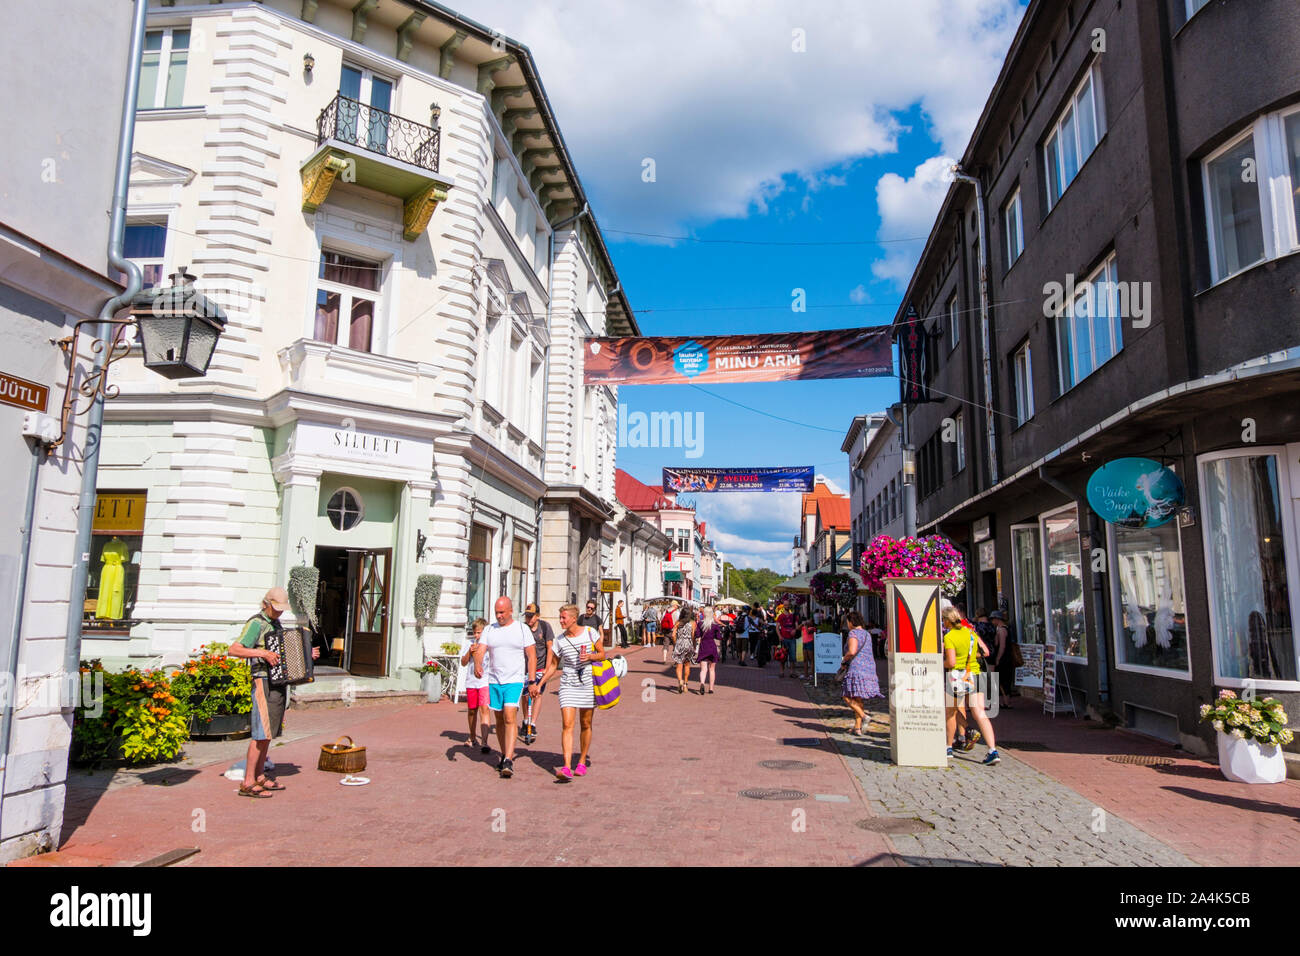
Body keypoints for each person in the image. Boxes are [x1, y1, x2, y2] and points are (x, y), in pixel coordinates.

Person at [229, 587, 319, 797]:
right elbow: (234, 649)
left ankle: (260, 776)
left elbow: (284, 653)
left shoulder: (275, 624)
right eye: (276, 608)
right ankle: (248, 782)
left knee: (268, 733)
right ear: (266, 604)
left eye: (281, 609)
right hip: (263, 681)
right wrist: (262, 653)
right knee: (260, 733)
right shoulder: (256, 623)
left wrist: (308, 654)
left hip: (277, 682)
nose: (279, 613)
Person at [534, 603, 605, 781]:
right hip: (568, 684)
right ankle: (566, 766)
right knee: (567, 724)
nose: (561, 621)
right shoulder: (560, 640)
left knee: (586, 723)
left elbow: (602, 654)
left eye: (564, 617)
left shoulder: (590, 633)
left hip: (588, 682)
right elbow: (553, 665)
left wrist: (590, 656)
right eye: (560, 617)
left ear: (574, 618)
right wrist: (540, 683)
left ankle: (581, 761)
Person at [471, 596, 537, 779]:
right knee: (499, 718)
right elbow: (480, 650)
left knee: (510, 716)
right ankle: (503, 754)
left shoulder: (522, 629)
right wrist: (478, 664)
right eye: (496, 613)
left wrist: (531, 681)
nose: (499, 616)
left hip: (515, 679)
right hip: (494, 680)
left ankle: (508, 758)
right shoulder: (490, 630)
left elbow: (531, 655)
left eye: (502, 612)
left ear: (510, 611)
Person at [943, 606, 999, 765]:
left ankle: (948, 748)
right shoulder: (971, 633)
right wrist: (971, 656)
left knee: (951, 711)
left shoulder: (950, 636)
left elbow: (951, 662)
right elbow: (986, 651)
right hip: (974, 674)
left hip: (957, 676)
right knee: (980, 712)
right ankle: (992, 750)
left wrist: (942, 661)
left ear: (947, 621)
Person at [841, 611, 883, 734]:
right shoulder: (867, 634)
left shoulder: (853, 633)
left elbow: (852, 651)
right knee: (857, 698)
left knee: (846, 695)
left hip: (857, 669)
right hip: (869, 668)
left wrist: (844, 659)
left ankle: (864, 716)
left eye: (847, 622)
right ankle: (858, 728)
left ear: (851, 622)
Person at [520, 602, 554, 741]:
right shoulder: (522, 628)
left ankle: (532, 723)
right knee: (525, 695)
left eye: (531, 616)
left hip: (540, 667)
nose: (528, 619)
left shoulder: (545, 627)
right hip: (524, 668)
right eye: (526, 616)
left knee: (537, 694)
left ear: (537, 616)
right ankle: (525, 720)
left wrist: (547, 667)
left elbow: (550, 648)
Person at [460, 618, 493, 754]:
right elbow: (463, 662)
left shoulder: (489, 646)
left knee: (484, 709)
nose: (476, 636)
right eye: (475, 633)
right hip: (471, 681)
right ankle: (472, 736)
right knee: (472, 710)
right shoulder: (470, 643)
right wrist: (470, 652)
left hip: (485, 681)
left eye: (479, 633)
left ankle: (485, 741)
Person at [991, 610, 1016, 708]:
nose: (992, 621)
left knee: (1003, 679)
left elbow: (1002, 646)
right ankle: (1006, 701)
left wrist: (998, 658)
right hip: (1006, 658)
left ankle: (1007, 702)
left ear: (997, 619)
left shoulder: (1001, 630)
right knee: (1003, 679)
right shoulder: (1003, 629)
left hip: (1004, 658)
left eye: (993, 619)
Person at [672, 605, 698, 694]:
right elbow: (694, 636)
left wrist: (676, 643)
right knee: (687, 665)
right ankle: (686, 685)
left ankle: (680, 681)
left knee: (679, 665)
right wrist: (694, 646)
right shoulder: (693, 623)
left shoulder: (678, 623)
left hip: (679, 644)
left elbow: (673, 635)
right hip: (688, 644)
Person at [695, 608, 721, 694]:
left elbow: (697, 635)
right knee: (712, 669)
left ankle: (702, 683)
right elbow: (718, 637)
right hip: (712, 646)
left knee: (703, 669)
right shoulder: (715, 625)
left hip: (703, 646)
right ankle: (711, 688)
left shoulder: (700, 623)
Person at [776, 604, 797, 678]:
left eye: (788, 605)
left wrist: (795, 630)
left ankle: (792, 672)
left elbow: (796, 626)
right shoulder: (781, 616)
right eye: (785, 605)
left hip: (792, 639)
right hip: (784, 638)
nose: (787, 606)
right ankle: (781, 672)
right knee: (782, 657)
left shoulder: (793, 616)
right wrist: (779, 636)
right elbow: (777, 627)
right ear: (783, 607)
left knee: (792, 657)